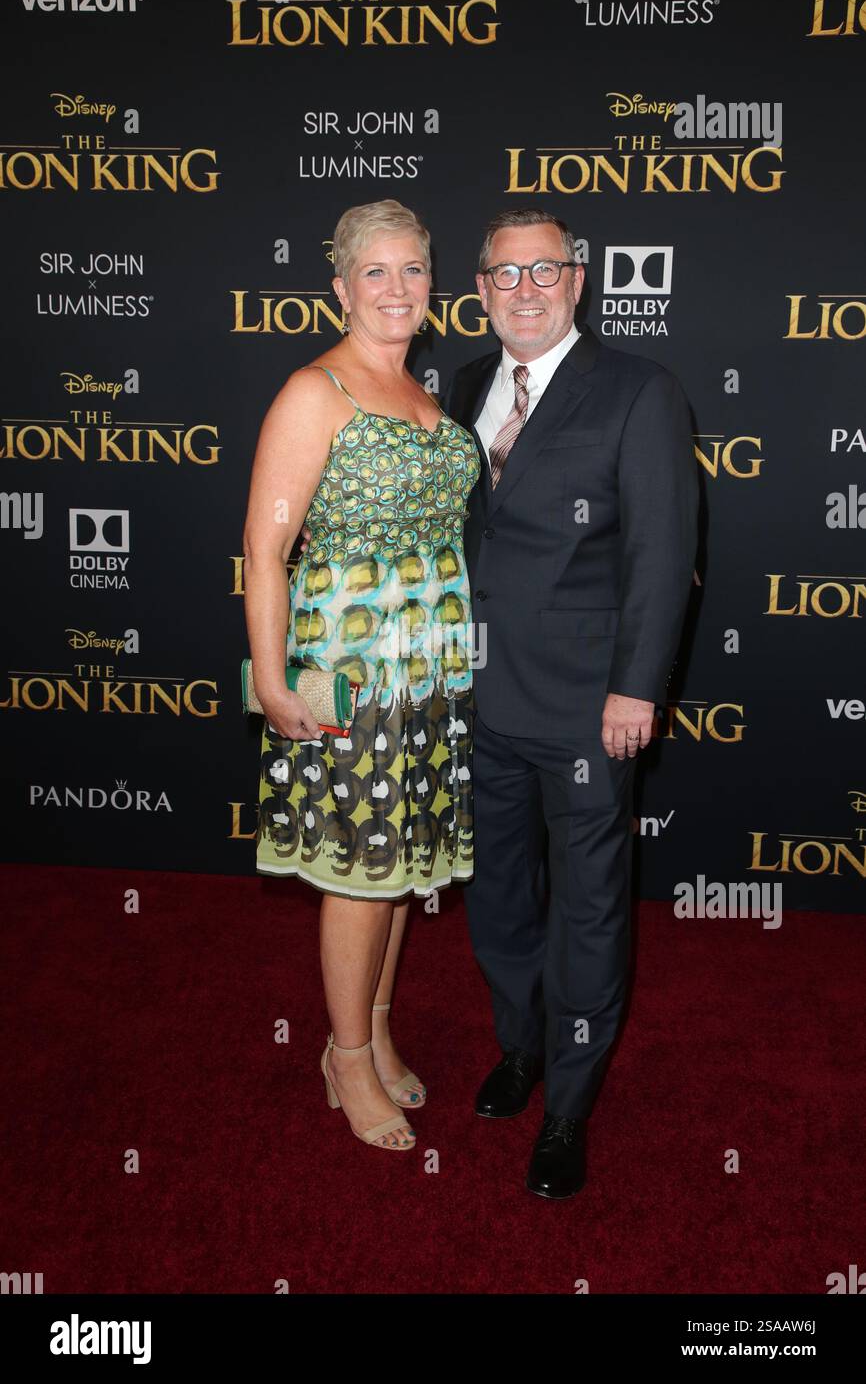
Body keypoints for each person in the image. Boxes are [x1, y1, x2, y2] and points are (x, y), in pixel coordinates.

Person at [444, 207, 698, 1198]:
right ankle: (523, 1045)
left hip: (590, 709)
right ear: (478, 291)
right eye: (502, 277)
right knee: (501, 893)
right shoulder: (466, 385)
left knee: (587, 911)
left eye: (541, 271)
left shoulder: (637, 390)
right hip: (479, 700)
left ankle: (570, 1104)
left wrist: (636, 685)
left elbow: (660, 550)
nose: (523, 291)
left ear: (577, 282)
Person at [242, 199, 480, 1154]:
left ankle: (376, 1030)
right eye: (374, 272)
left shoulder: (428, 395)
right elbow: (265, 550)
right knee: (362, 873)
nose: (396, 287)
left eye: (413, 270)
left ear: (432, 286)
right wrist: (272, 680)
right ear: (339, 288)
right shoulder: (317, 392)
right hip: (350, 675)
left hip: (432, 674)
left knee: (404, 865)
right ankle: (344, 1055)